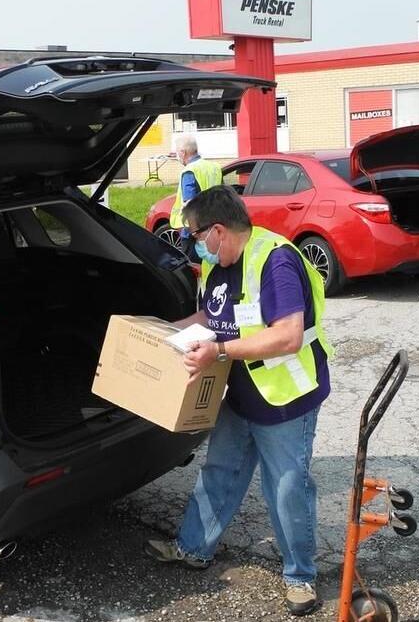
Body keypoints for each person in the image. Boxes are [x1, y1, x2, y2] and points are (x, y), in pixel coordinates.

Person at [144, 186, 333, 618]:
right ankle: (193, 547)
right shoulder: (219, 263)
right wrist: (160, 332)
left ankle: (300, 576)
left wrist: (219, 351)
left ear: (217, 231)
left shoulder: (275, 261)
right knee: (220, 470)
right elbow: (211, 316)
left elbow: (287, 335)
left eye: (195, 236)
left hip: (286, 398)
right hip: (243, 393)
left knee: (286, 487)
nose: (194, 245)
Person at [168, 136, 223, 229]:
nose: (177, 156)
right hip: (214, 222)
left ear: (183, 153)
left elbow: (189, 204)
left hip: (194, 227)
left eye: (177, 152)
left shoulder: (189, 171)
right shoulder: (215, 167)